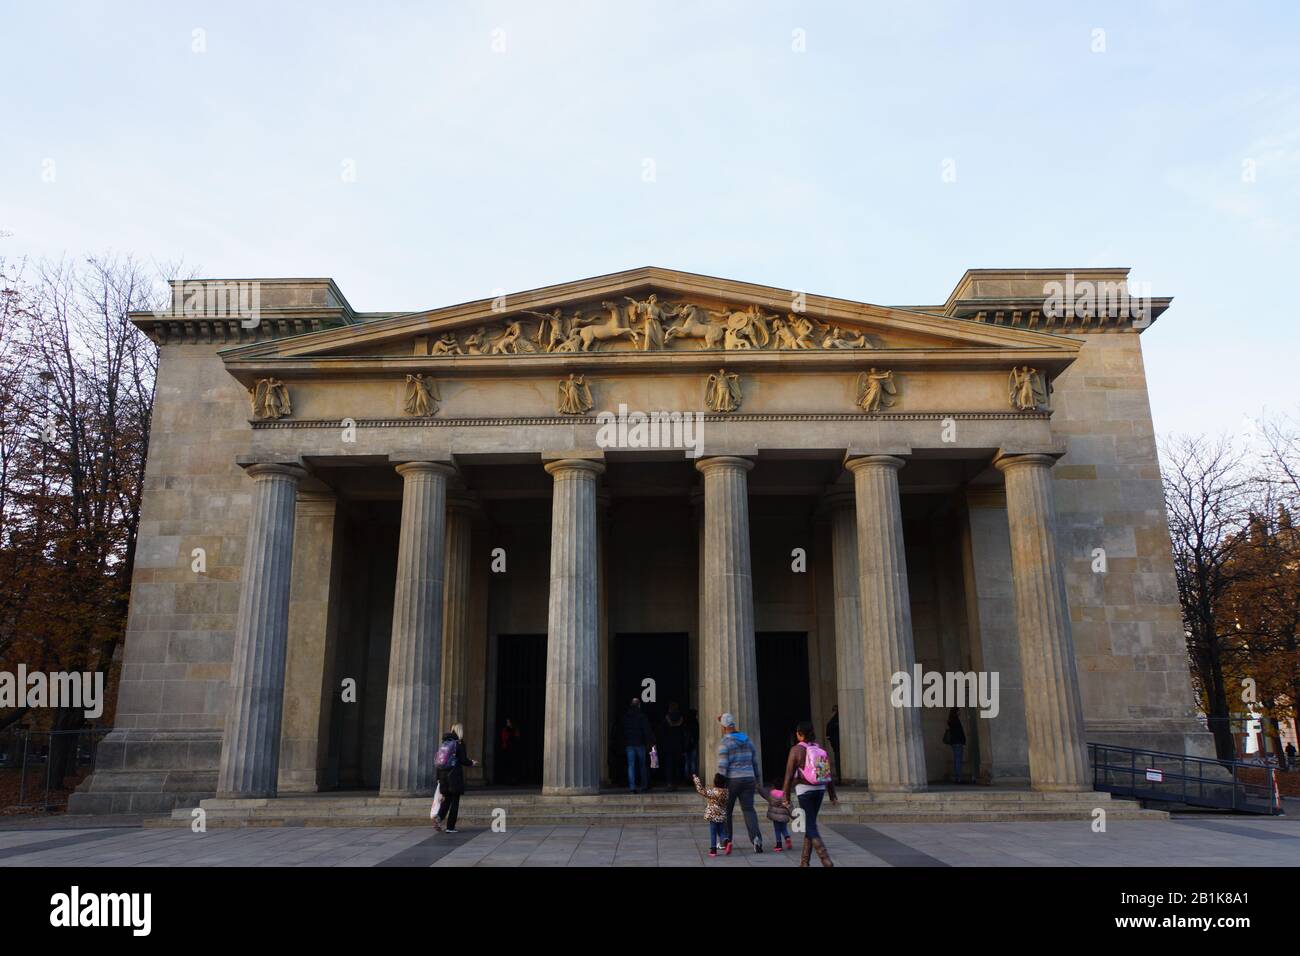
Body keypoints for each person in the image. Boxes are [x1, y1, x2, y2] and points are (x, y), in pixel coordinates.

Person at [781, 721, 837, 867]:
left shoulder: (796, 750)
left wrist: (785, 796)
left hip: (804, 791)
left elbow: (788, 775)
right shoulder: (818, 748)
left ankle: (825, 859)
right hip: (819, 790)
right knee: (810, 824)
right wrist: (832, 794)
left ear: (799, 734)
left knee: (810, 826)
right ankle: (804, 862)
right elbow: (827, 772)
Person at [716, 712, 763, 854]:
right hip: (749, 778)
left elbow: (723, 766)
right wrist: (757, 779)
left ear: (723, 727)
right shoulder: (747, 740)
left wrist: (718, 784)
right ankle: (756, 840)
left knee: (726, 811)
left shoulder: (725, 743)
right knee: (749, 810)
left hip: (732, 780)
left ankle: (726, 841)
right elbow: (754, 761)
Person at [433, 723, 478, 833]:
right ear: (460, 731)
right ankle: (450, 827)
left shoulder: (445, 743)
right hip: (454, 776)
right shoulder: (458, 743)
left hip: (444, 775)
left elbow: (440, 760)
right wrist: (472, 763)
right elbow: (463, 760)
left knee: (447, 799)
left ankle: (439, 817)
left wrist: (439, 777)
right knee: (455, 801)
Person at [693, 773, 729, 857]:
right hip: (722, 816)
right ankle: (726, 841)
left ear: (715, 783)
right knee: (721, 831)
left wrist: (696, 779)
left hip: (713, 816)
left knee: (713, 833)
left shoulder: (713, 792)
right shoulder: (727, 792)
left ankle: (713, 850)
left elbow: (701, 790)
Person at [622, 698, 654, 793]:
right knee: (642, 765)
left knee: (631, 766)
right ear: (639, 705)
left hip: (629, 744)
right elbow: (646, 730)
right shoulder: (642, 716)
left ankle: (632, 787)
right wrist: (649, 741)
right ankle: (644, 786)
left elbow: (623, 730)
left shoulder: (626, 716)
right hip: (640, 743)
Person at [756, 782, 793, 852]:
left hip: (775, 817)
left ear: (774, 786)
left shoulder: (771, 795)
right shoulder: (785, 795)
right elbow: (790, 807)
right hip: (784, 816)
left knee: (777, 830)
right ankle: (787, 837)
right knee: (784, 829)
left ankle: (779, 845)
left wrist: (759, 788)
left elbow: (764, 794)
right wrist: (794, 816)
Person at [659, 701, 687, 791]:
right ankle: (677, 782)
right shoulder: (682, 719)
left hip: (668, 746)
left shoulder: (666, 719)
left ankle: (669, 783)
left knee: (669, 765)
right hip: (678, 746)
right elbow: (684, 733)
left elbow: (662, 733)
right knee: (677, 765)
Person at [945, 707, 967, 783]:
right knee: (958, 760)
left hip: (954, 742)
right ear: (956, 712)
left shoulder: (951, 721)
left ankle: (958, 777)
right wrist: (963, 740)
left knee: (956, 760)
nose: (959, 712)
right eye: (958, 711)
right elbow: (960, 733)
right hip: (958, 742)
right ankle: (958, 778)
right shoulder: (956, 721)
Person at [498, 717, 521, 785]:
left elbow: (517, 738)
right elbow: (503, 738)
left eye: (508, 722)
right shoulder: (505, 729)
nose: (507, 723)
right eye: (507, 722)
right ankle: (507, 780)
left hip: (514, 749)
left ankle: (514, 780)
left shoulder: (515, 729)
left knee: (514, 765)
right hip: (507, 749)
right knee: (507, 765)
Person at [826, 705, 841, 779]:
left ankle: (839, 778)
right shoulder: (820, 752)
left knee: (838, 760)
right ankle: (839, 778)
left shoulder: (833, 722)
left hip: (836, 746)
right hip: (837, 745)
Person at [684, 709, 700, 779]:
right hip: (693, 744)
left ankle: (687, 778)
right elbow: (696, 734)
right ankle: (693, 778)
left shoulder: (686, 722)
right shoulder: (695, 722)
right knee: (693, 762)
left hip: (686, 744)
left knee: (687, 762)